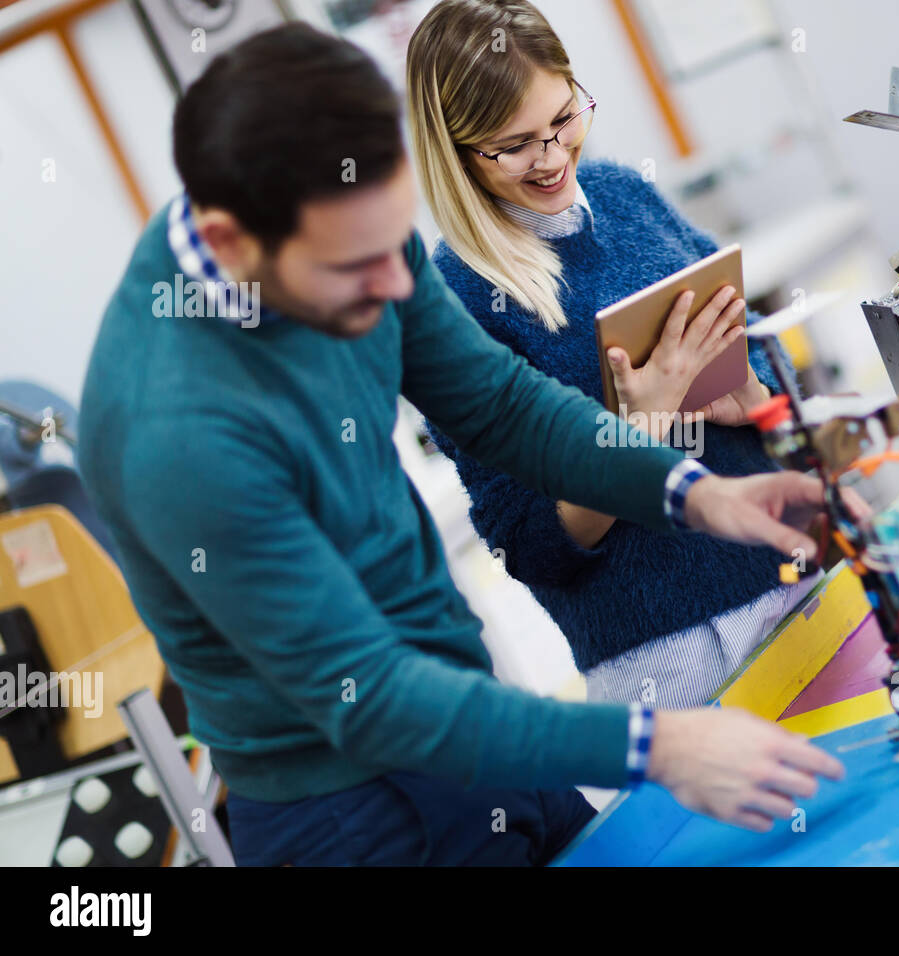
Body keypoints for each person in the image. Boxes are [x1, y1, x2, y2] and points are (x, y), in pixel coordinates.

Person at [76, 23, 843, 866]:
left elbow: (501, 406)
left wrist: (692, 493)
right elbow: (367, 696)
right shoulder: (178, 436)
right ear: (229, 246)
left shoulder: (345, 222)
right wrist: (659, 748)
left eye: (397, 241)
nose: (400, 286)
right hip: (345, 806)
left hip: (474, 720)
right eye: (361, 270)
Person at [406, 0, 822, 709]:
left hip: (790, 572)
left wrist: (747, 394)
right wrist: (640, 430)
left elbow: (770, 360)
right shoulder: (453, 302)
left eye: (564, 119)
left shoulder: (623, 193)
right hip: (675, 657)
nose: (554, 157)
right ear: (457, 152)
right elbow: (526, 543)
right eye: (515, 145)